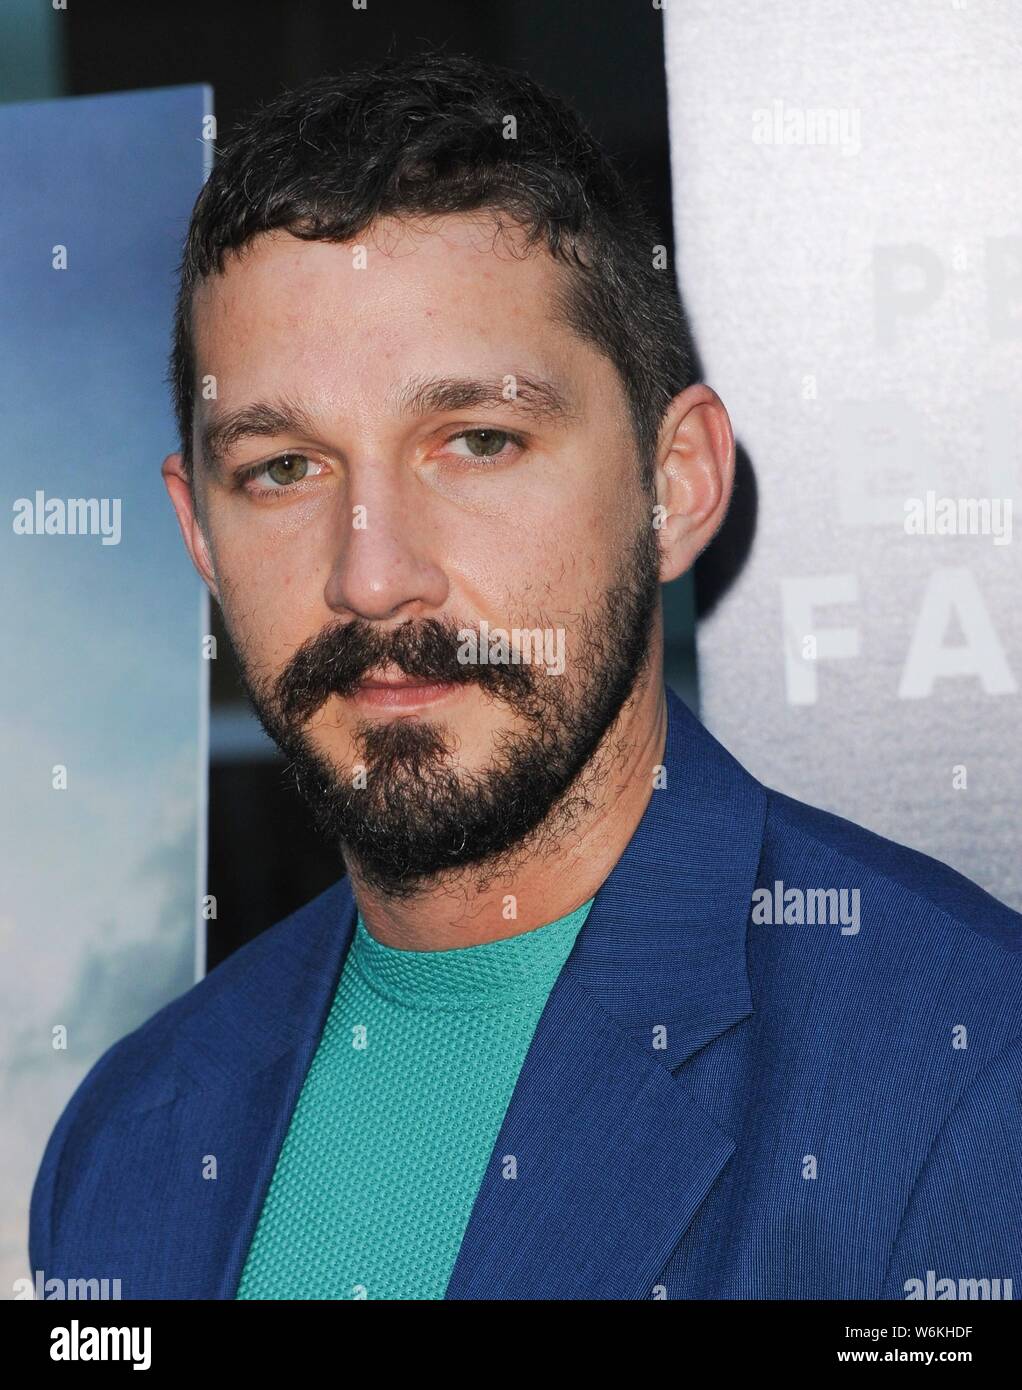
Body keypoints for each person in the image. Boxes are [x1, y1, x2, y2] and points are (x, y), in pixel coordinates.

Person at [29, 52, 1022, 1301]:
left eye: (478, 441)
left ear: (676, 484)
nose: (372, 576)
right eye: (282, 467)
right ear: (196, 535)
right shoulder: (125, 1138)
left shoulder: (969, 1077)